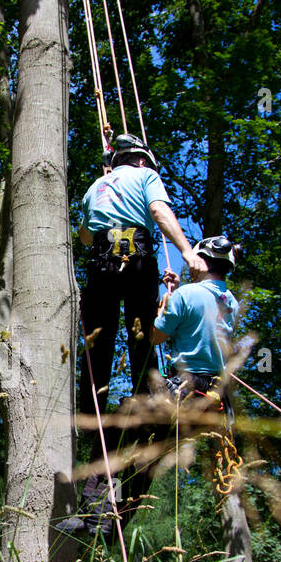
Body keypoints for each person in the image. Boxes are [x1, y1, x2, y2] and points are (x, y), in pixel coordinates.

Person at [58, 133, 208, 536]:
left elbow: (86, 237)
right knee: (142, 345)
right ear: (141, 160)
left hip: (103, 263)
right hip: (137, 256)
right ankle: (144, 391)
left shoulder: (95, 187)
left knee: (97, 353)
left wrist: (105, 211)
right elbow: (158, 212)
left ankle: (94, 403)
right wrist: (187, 251)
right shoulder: (146, 177)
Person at [150, 233, 240, 421]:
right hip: (217, 392)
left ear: (199, 260)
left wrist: (166, 304)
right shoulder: (232, 302)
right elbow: (199, 324)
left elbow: (156, 337)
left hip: (184, 386)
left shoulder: (186, 295)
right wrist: (175, 291)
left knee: (131, 434)